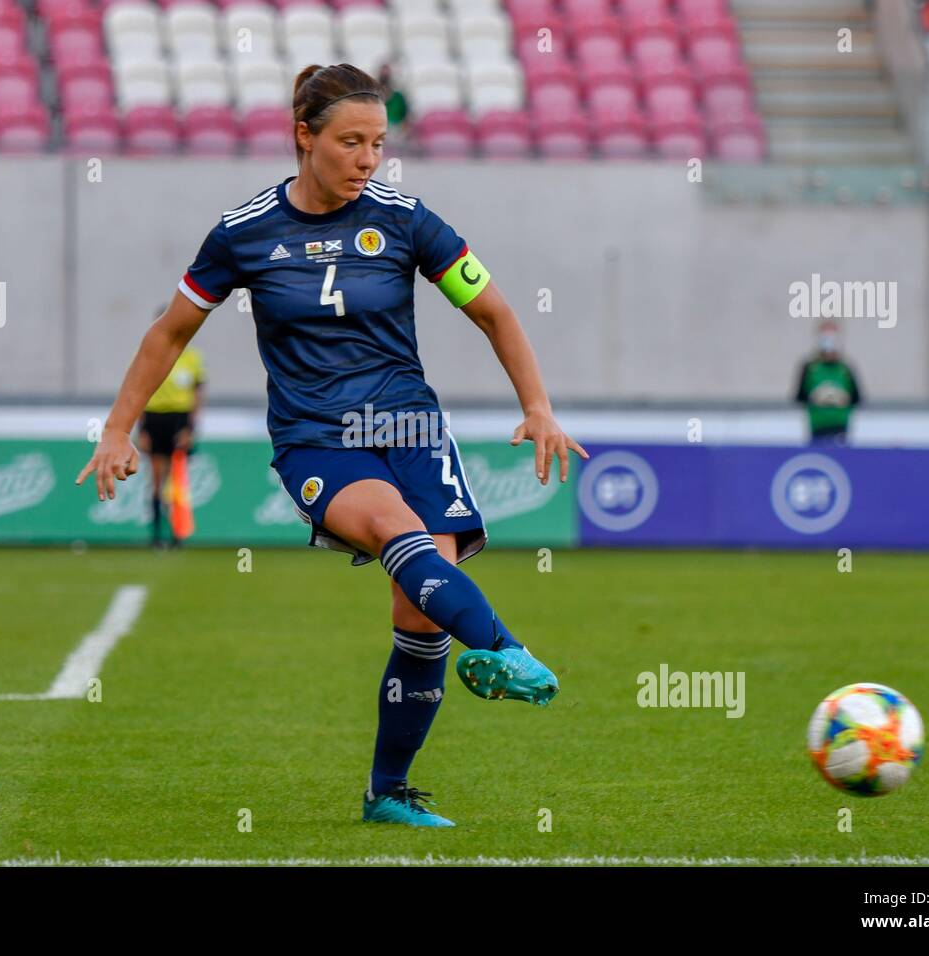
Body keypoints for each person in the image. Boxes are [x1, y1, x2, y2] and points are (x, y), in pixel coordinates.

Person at [77, 63, 587, 828]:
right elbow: (170, 333)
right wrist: (117, 427)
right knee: (398, 534)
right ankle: (510, 651)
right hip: (318, 440)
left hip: (412, 431)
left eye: (378, 144)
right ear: (303, 136)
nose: (366, 159)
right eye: (350, 142)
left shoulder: (406, 219)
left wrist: (539, 407)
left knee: (420, 619)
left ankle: (387, 793)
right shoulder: (243, 233)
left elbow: (496, 313)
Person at [136, 313, 204, 548]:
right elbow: (139, 393)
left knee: (177, 481)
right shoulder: (149, 355)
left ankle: (177, 535)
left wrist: (190, 427)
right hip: (155, 419)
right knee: (156, 480)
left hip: (179, 420)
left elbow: (197, 396)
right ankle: (156, 536)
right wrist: (142, 429)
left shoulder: (192, 358)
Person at [794, 320, 862, 446]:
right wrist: (816, 397)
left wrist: (841, 398)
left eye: (833, 338)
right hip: (817, 428)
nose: (830, 343)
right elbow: (799, 397)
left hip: (840, 428)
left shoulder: (845, 369)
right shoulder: (810, 368)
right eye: (825, 338)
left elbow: (857, 398)